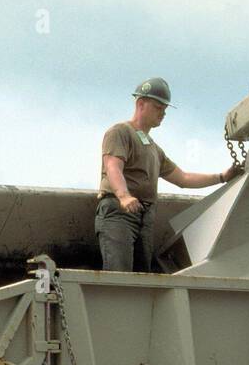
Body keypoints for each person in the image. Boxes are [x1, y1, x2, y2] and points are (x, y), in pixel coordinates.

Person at [97, 78, 240, 272]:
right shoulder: (120, 132)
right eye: (158, 107)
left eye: (164, 109)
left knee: (141, 278)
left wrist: (222, 177)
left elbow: (183, 178)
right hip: (120, 212)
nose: (163, 113)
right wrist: (123, 196)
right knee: (118, 272)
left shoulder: (154, 149)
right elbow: (113, 166)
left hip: (144, 214)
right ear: (141, 104)